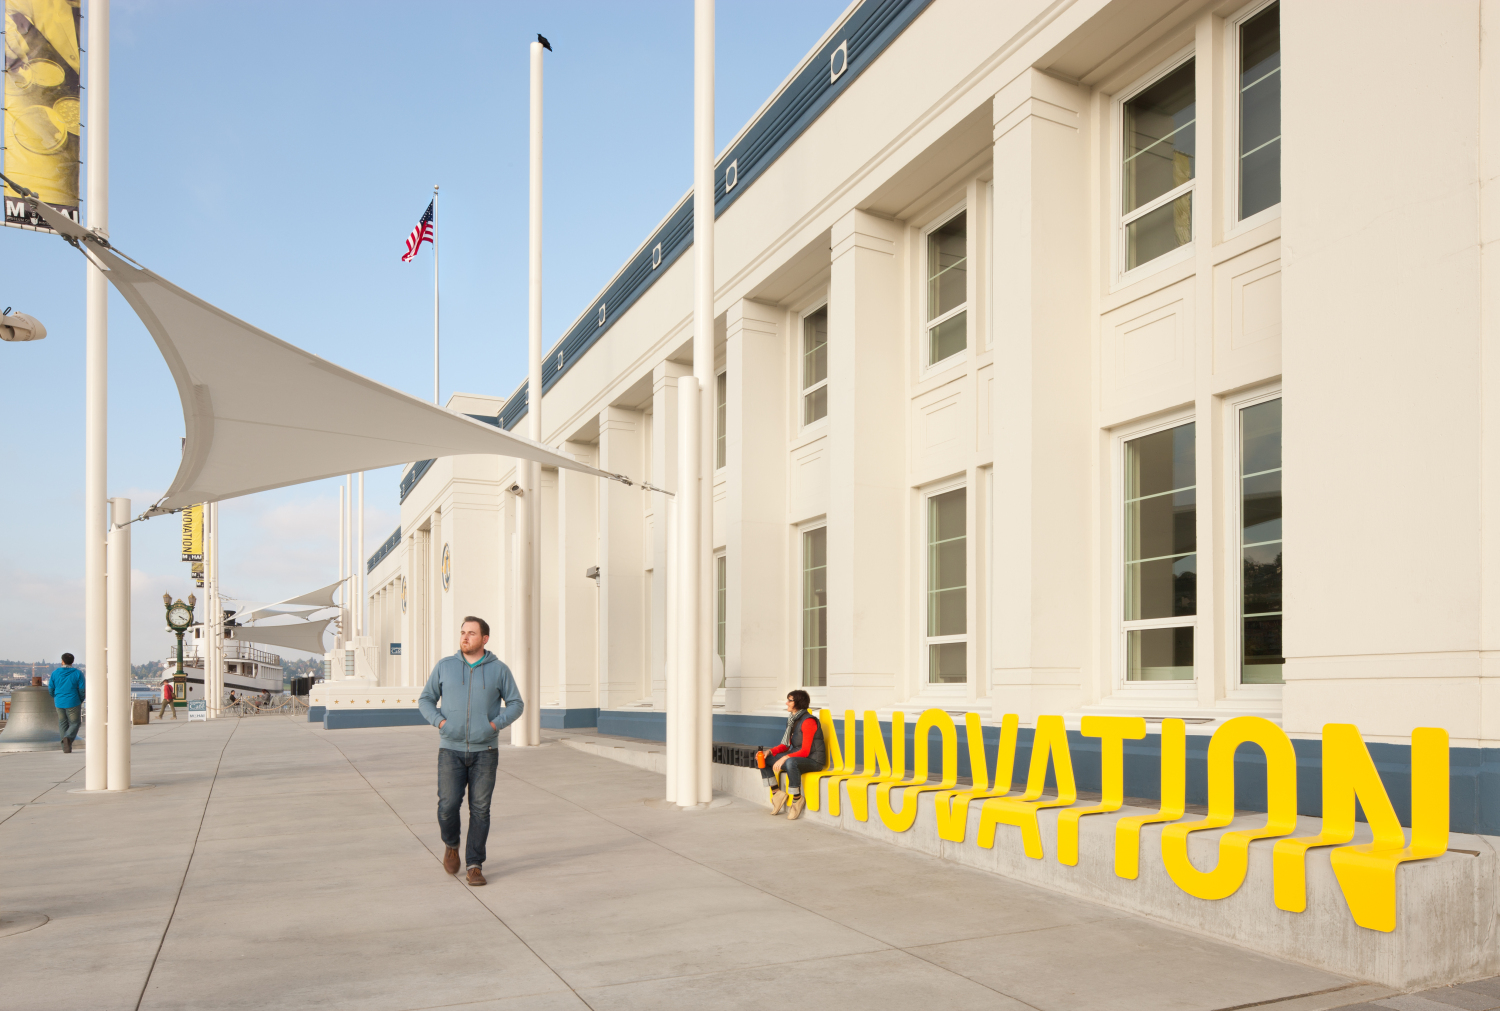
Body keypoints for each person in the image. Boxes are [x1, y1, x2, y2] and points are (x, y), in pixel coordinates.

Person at [417, 616, 523, 886]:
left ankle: (474, 865)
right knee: (447, 806)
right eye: (463, 632)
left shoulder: (499, 669)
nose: (465, 637)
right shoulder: (445, 666)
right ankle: (451, 844)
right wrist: (441, 722)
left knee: (480, 810)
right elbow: (426, 699)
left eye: (471, 633)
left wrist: (494, 725)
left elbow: (516, 703)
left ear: (484, 639)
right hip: (450, 749)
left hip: (485, 751)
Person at [760, 690, 826, 821]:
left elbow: (805, 751)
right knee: (763, 758)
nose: (787, 703)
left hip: (813, 761)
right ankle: (776, 793)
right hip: (797, 758)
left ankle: (797, 799)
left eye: (790, 700)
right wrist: (770, 752)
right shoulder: (792, 720)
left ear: (798, 703)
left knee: (791, 762)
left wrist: (785, 757)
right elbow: (785, 745)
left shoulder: (808, 721)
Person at [48, 653, 85, 753]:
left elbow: (51, 688)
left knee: (62, 723)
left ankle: (65, 747)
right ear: (72, 662)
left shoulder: (55, 673)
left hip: (59, 701)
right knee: (75, 723)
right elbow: (82, 689)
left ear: (62, 661)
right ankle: (68, 738)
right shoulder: (78, 673)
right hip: (73, 700)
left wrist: (56, 697)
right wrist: (80, 699)